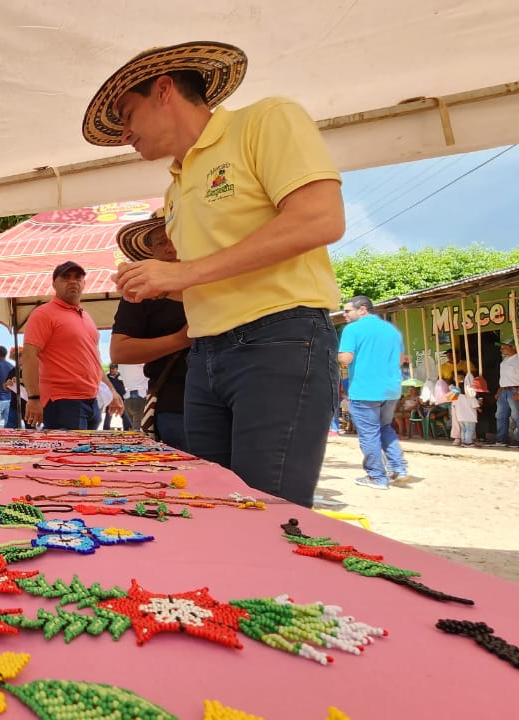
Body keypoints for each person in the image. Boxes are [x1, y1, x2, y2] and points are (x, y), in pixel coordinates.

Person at [94, 42, 344, 507]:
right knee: (211, 510)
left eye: (127, 113)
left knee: (268, 515)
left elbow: (320, 218)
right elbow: (210, 270)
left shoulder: (265, 119)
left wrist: (180, 273)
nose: (125, 132)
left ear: (164, 89)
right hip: (205, 354)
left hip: (278, 337)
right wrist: (159, 279)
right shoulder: (174, 188)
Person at [109, 211, 190, 449]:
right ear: (151, 254)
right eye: (161, 242)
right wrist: (180, 339)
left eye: (176, 237)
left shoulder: (218, 285)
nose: (170, 248)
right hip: (175, 405)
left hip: (231, 402)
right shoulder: (141, 295)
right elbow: (119, 351)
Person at [21, 260, 122, 430]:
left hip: (91, 400)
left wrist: (112, 391)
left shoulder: (86, 317)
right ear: (54, 284)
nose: (73, 281)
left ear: (84, 283)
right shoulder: (44, 314)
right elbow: (30, 356)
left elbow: (94, 361)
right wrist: (34, 398)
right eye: (66, 277)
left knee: (86, 454)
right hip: (63, 402)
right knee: (71, 454)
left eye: (77, 277)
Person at [338, 295, 409, 489]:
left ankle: (377, 477)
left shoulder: (352, 329)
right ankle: (399, 468)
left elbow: (345, 359)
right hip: (391, 390)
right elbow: (401, 359)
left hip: (364, 390)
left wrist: (334, 356)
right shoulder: (391, 330)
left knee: (369, 434)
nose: (344, 314)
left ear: (362, 310)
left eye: (347, 311)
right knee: (385, 428)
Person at [492, 338, 519, 447]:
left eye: (504, 347)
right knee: (500, 415)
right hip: (504, 391)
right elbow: (503, 379)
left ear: (513, 347)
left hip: (515, 390)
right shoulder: (503, 362)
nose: (501, 349)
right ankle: (501, 440)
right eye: (501, 347)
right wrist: (499, 392)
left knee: (517, 415)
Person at [101, 364, 128, 430]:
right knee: (108, 415)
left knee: (125, 416)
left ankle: (127, 429)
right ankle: (106, 430)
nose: (112, 370)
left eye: (113, 368)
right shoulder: (107, 377)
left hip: (122, 399)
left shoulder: (121, 376)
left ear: (117, 369)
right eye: (111, 369)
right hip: (111, 400)